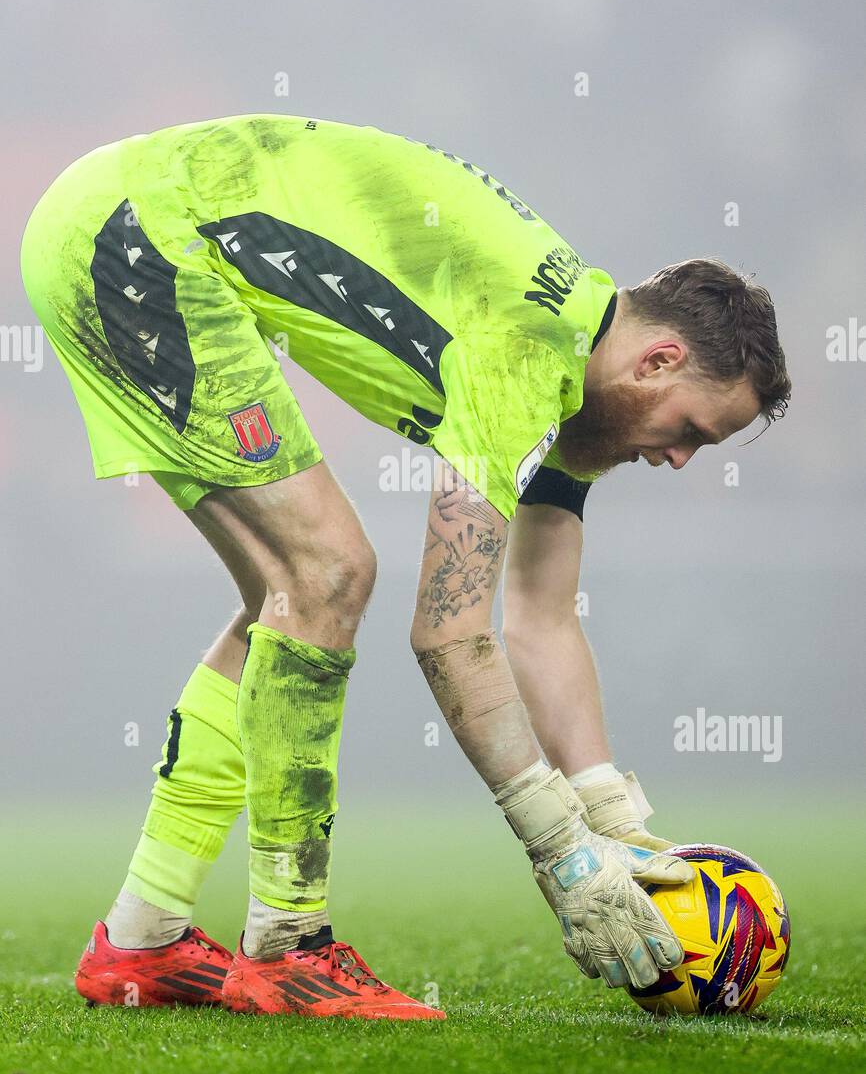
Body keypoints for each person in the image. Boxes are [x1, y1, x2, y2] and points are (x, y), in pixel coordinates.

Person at [20, 114, 790, 1018]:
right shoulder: (529, 352)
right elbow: (451, 634)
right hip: (138, 235)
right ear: (659, 362)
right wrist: (561, 852)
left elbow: (540, 614)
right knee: (328, 575)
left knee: (289, 592)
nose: (679, 460)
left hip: (116, 218)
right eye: (692, 431)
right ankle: (288, 945)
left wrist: (612, 819)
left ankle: (140, 935)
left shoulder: (573, 379)